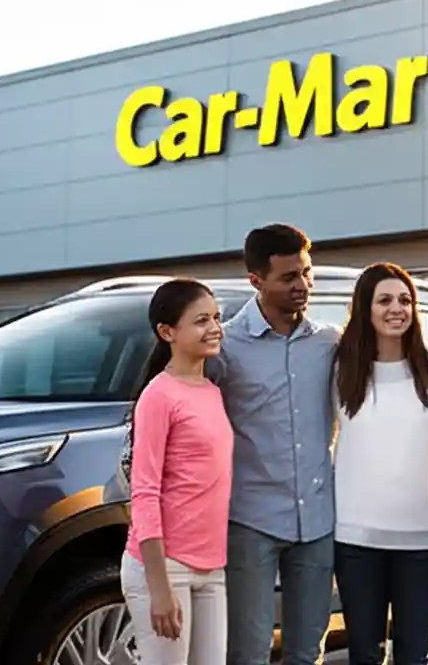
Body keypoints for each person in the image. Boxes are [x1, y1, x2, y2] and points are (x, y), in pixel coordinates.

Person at [209, 224, 340, 665]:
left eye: (306, 273)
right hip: (250, 522)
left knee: (308, 653)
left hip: (318, 521)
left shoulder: (329, 343)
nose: (302, 285)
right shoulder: (224, 346)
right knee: (248, 653)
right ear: (256, 281)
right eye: (288, 277)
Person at [330, 262, 428, 665]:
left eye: (404, 300)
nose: (396, 308)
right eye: (384, 300)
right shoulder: (340, 368)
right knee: (364, 653)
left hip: (423, 541)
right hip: (356, 541)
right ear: (365, 308)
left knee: (415, 656)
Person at [121, 278, 234, 665]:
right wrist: (159, 587)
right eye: (201, 320)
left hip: (211, 566)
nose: (215, 328)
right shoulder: (158, 396)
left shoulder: (212, 391)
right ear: (167, 332)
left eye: (217, 318)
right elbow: (145, 491)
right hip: (164, 567)